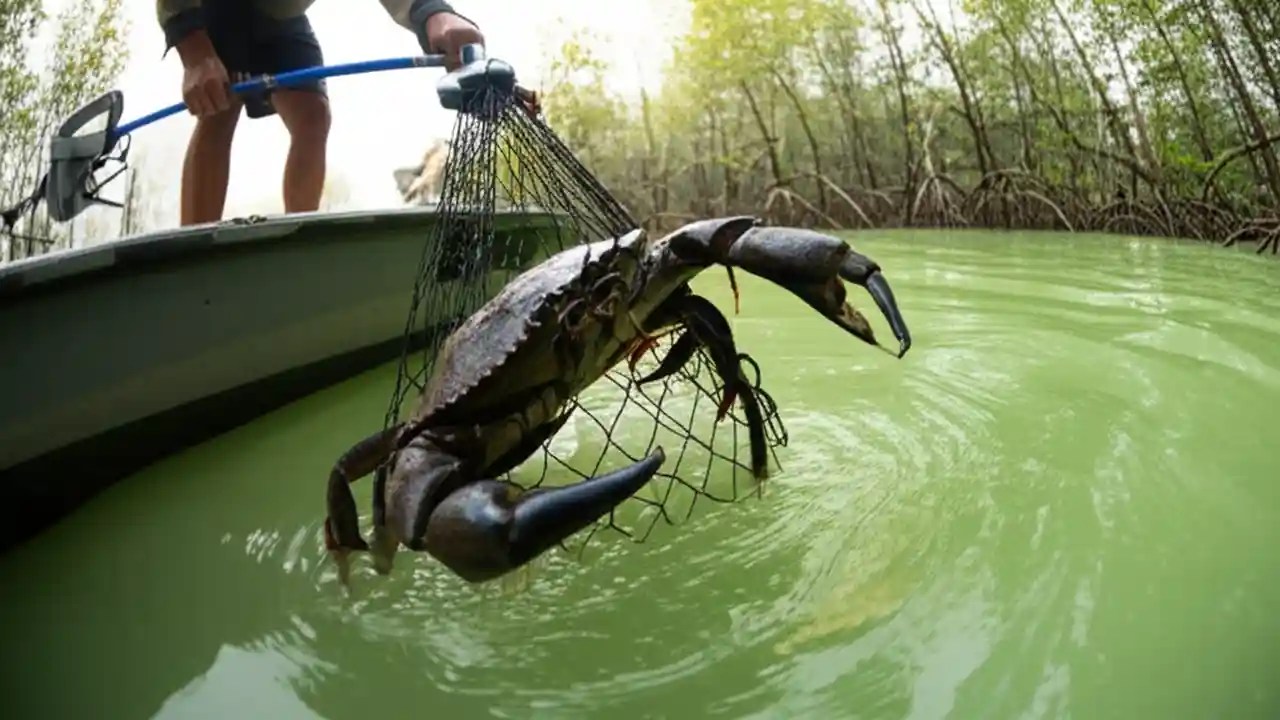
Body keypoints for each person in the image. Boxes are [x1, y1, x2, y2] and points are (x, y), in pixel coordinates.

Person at [157, 1, 484, 226]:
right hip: (215, 10)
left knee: (313, 117)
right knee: (218, 108)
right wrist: (192, 44)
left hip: (283, 19)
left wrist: (434, 13)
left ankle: (297, 242)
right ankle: (193, 245)